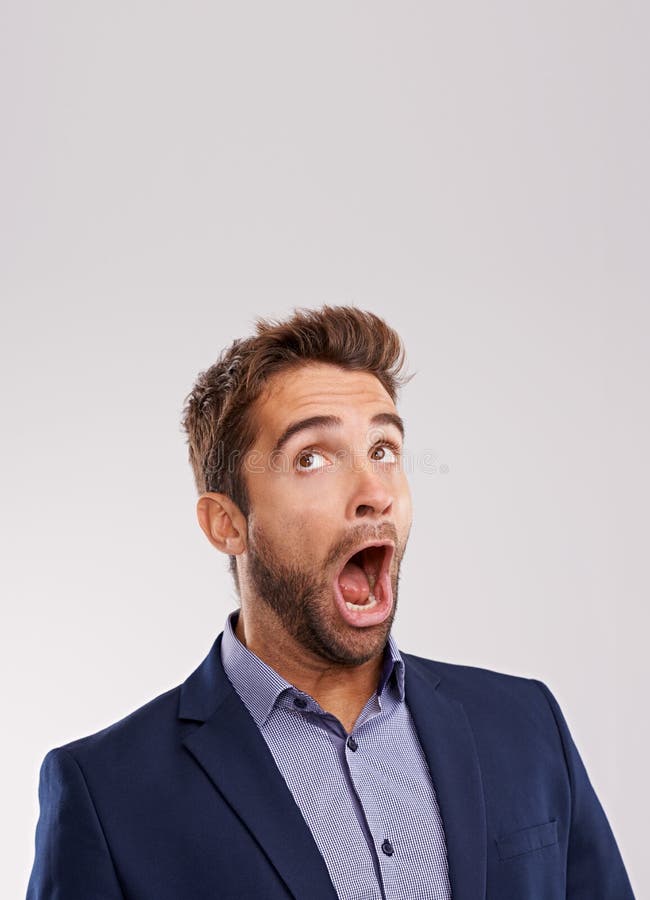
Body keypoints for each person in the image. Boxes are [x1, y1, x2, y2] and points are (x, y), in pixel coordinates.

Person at [27, 305, 635, 899]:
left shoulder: (527, 725)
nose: (374, 492)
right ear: (226, 524)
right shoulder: (107, 794)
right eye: (312, 458)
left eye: (384, 451)